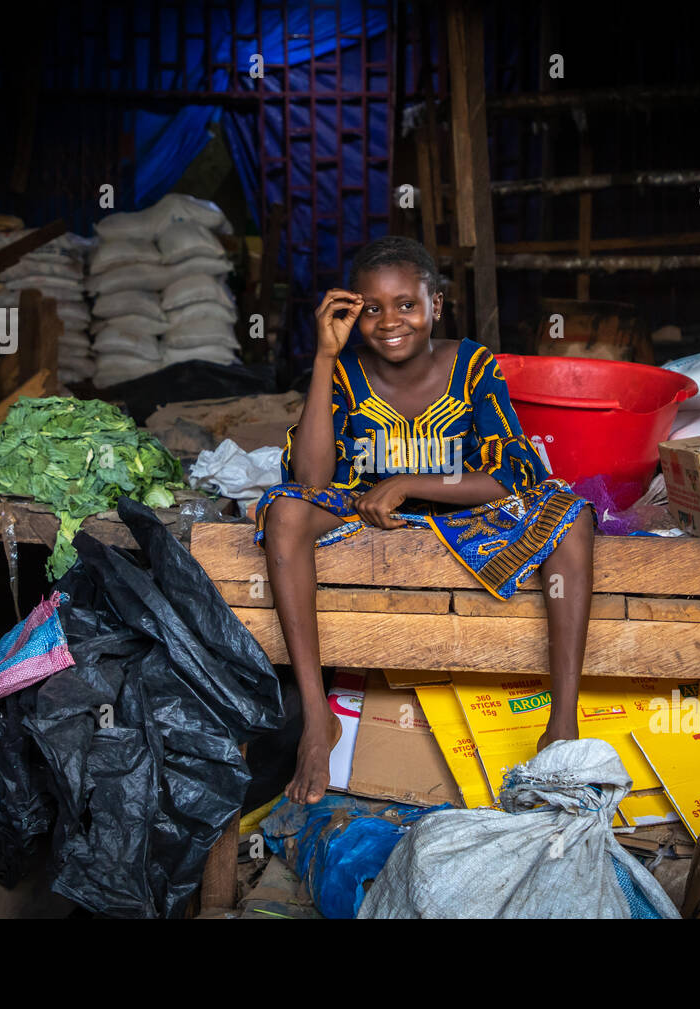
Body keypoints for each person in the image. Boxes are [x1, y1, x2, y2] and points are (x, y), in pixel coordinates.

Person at [255, 235, 595, 804]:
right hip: (362, 514)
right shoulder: (345, 371)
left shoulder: (471, 363)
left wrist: (410, 483)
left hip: (469, 515)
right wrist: (322, 357)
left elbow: (513, 476)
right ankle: (318, 720)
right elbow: (312, 481)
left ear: (436, 304)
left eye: (406, 304)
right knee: (284, 510)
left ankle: (562, 724)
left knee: (572, 515)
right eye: (371, 308)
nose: (391, 321)